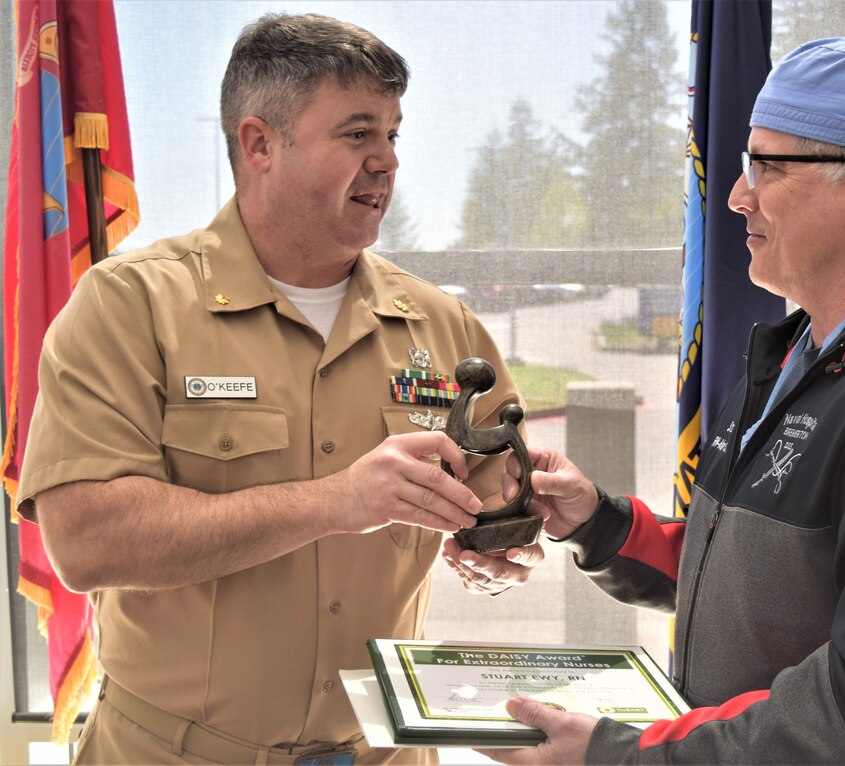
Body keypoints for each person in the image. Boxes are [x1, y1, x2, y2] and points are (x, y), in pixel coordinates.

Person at [476, 37, 845, 764]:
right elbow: (758, 582)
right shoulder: (807, 353)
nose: (735, 195)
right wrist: (599, 522)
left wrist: (626, 755)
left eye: (767, 167)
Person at [14, 13, 539, 765]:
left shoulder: (442, 325)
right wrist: (336, 501)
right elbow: (86, 540)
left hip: (385, 753)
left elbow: (497, 506)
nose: (387, 161)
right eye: (357, 134)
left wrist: (501, 547)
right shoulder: (129, 307)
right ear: (259, 144)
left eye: (393, 134)